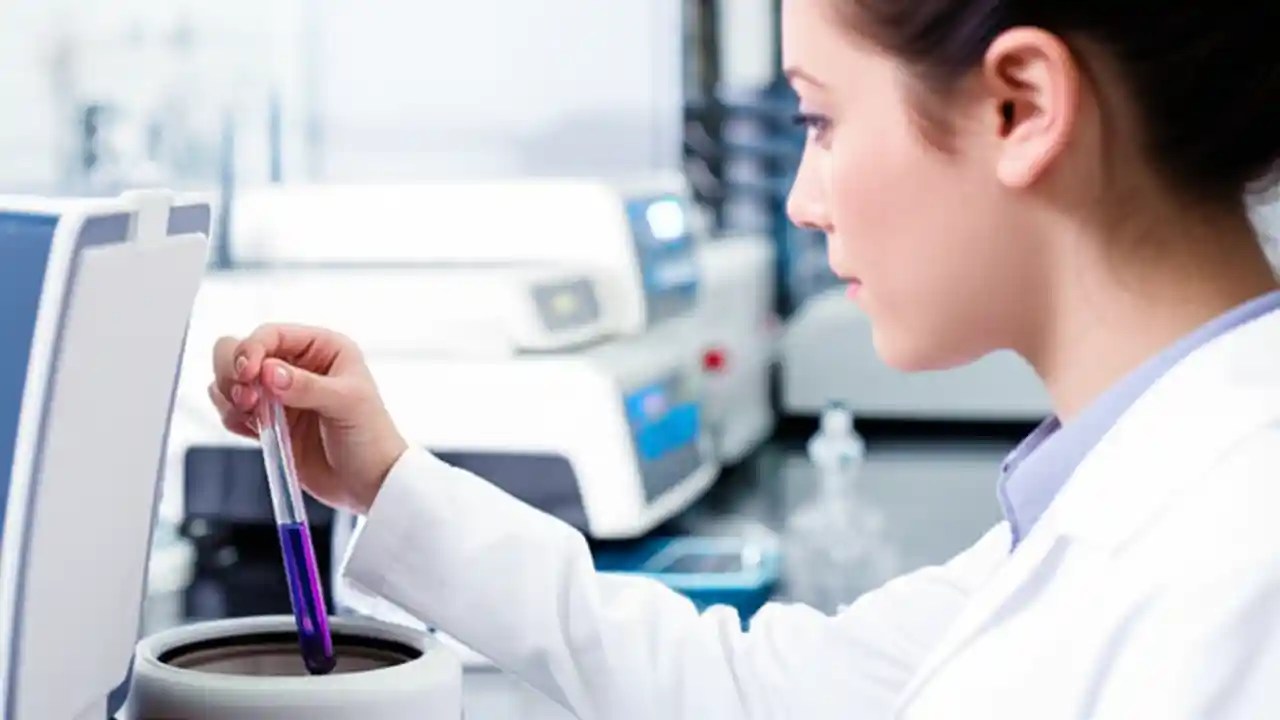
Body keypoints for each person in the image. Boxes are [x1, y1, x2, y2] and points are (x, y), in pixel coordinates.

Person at [209, 0, 1280, 717]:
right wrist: (387, 480)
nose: (798, 202)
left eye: (818, 119)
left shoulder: (1232, 579)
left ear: (1020, 107)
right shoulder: (1133, 487)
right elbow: (774, 693)